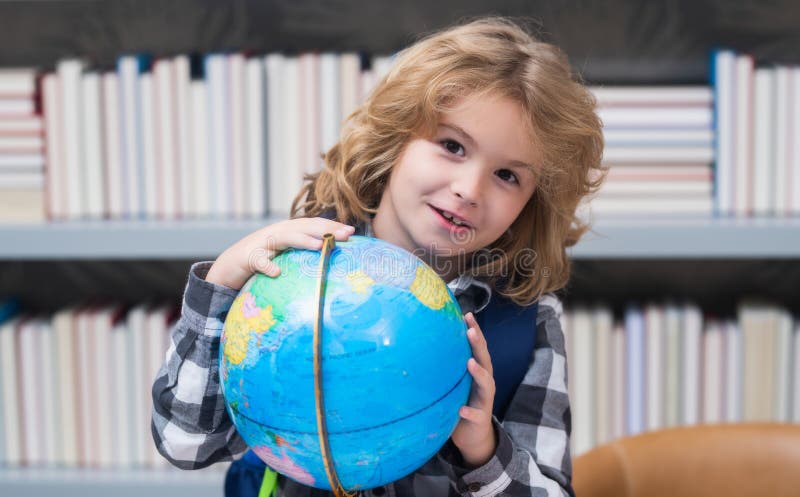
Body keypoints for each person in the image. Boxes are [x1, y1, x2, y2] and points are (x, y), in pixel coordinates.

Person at [152, 16, 604, 497]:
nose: (469, 190)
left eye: (508, 176)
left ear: (530, 203)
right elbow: (186, 445)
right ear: (395, 139)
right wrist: (221, 281)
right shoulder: (289, 276)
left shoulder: (528, 319)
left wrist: (484, 450)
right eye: (452, 146)